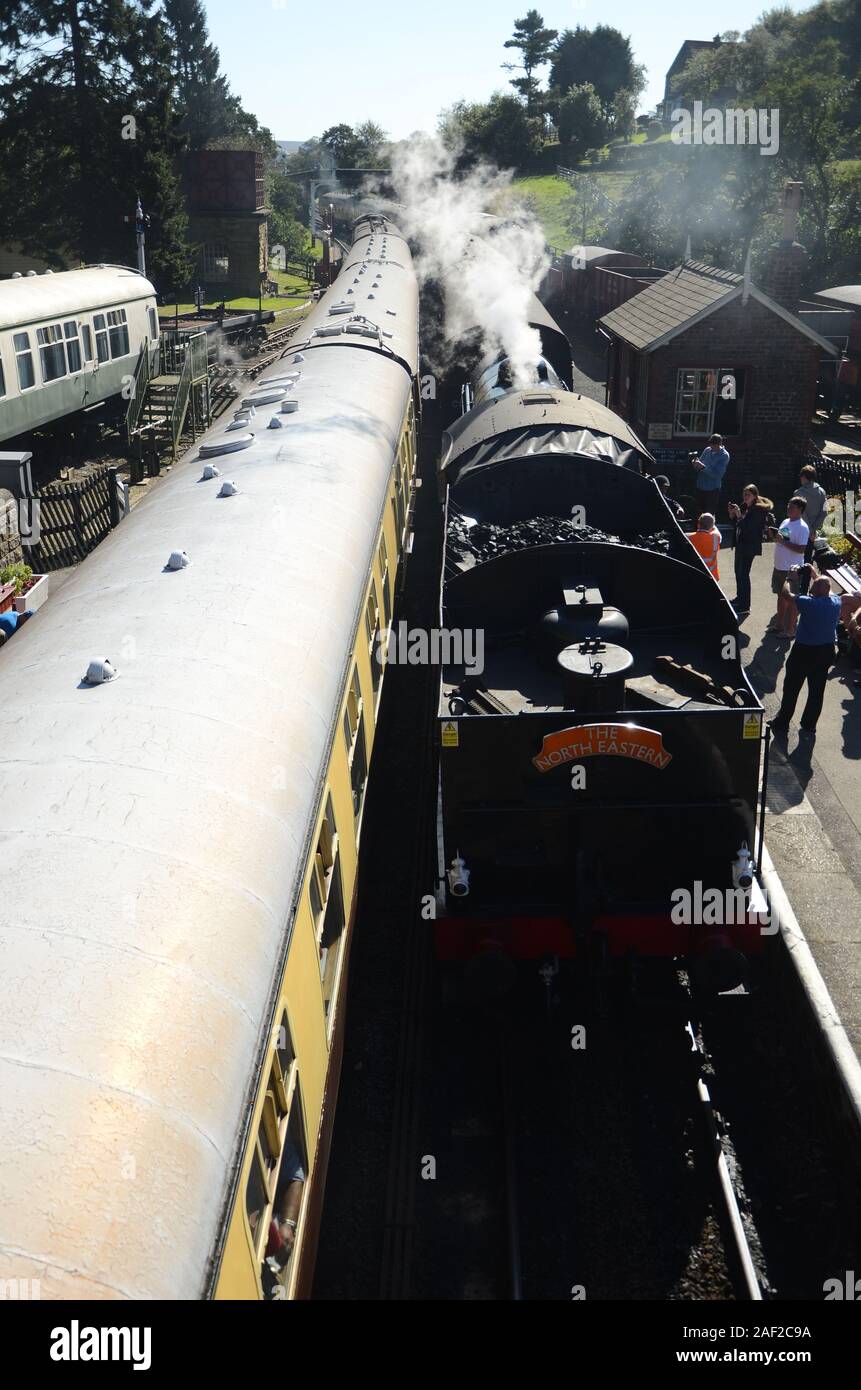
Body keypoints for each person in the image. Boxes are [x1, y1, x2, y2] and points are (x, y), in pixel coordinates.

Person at [771, 576, 861, 735]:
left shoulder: (808, 602)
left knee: (792, 687)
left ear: (814, 590)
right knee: (817, 690)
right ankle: (809, 725)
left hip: (803, 651)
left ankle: (782, 721)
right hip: (826, 652)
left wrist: (789, 578)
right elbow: (829, 591)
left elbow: (786, 594)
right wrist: (813, 574)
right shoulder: (835, 602)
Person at [767, 497, 809, 636]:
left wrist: (782, 542)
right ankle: (779, 625)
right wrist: (774, 537)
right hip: (779, 566)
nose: (788, 508)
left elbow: (801, 549)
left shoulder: (803, 527)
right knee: (780, 596)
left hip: (792, 570)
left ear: (800, 510)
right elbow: (782, 540)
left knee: (792, 600)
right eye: (788, 505)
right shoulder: (786, 521)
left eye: (792, 507)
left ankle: (790, 630)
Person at [727, 485, 773, 613]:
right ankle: (740, 598)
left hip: (749, 546)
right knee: (738, 572)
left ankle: (745, 605)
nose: (745, 497)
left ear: (755, 496)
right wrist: (732, 515)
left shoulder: (758, 510)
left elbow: (749, 528)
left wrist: (739, 516)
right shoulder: (744, 506)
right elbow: (737, 525)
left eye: (748, 495)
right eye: (744, 494)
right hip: (740, 544)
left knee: (743, 574)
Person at [795, 464, 828, 561]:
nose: (800, 478)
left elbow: (801, 513)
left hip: (801, 529)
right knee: (809, 559)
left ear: (804, 477)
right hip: (815, 530)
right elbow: (824, 512)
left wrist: (809, 530)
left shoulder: (798, 493)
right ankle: (808, 576)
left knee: (798, 558)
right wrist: (813, 529)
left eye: (801, 476)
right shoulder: (822, 492)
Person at [691, 433, 730, 516]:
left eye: (713, 444)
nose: (711, 446)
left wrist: (703, 467)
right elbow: (700, 463)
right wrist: (696, 464)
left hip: (712, 490)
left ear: (719, 444)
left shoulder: (724, 456)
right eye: (710, 444)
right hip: (700, 487)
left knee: (708, 515)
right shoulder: (707, 450)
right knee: (697, 513)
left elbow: (717, 475)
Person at [687, 512, 721, 578]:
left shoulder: (687, 537)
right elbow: (716, 531)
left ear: (698, 524)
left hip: (694, 574)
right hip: (711, 576)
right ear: (711, 526)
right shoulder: (716, 537)